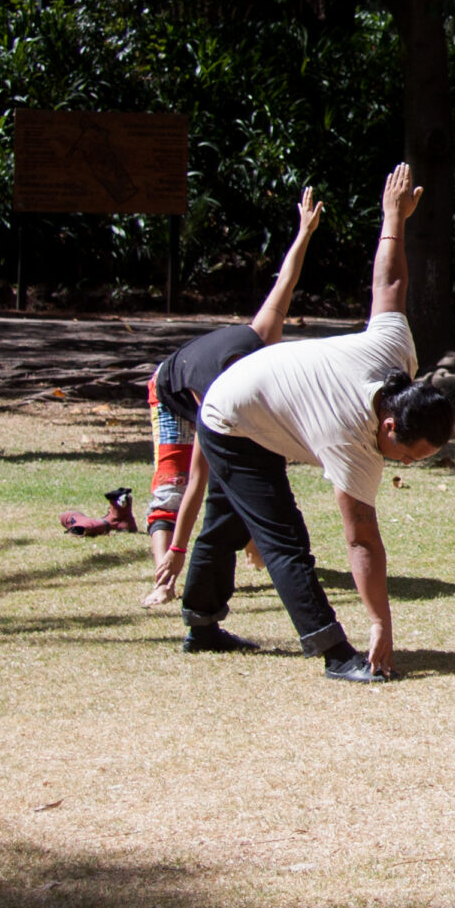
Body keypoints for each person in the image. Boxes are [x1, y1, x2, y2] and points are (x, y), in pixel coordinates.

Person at [166, 164, 455, 681]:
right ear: (389, 429)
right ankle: (335, 654)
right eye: (410, 457)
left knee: (230, 517)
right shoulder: (350, 438)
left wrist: (393, 218)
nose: (409, 466)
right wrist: (379, 625)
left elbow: (389, 281)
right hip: (231, 417)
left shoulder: (394, 355)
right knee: (284, 537)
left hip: (258, 396)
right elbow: (361, 538)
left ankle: (201, 625)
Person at [140, 187, 323, 608]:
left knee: (247, 468)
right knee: (173, 482)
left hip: (211, 388)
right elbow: (199, 485)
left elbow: (287, 279)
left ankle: (253, 542)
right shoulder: (218, 403)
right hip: (170, 390)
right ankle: (163, 579)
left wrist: (304, 232)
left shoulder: (263, 338)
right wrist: (179, 552)